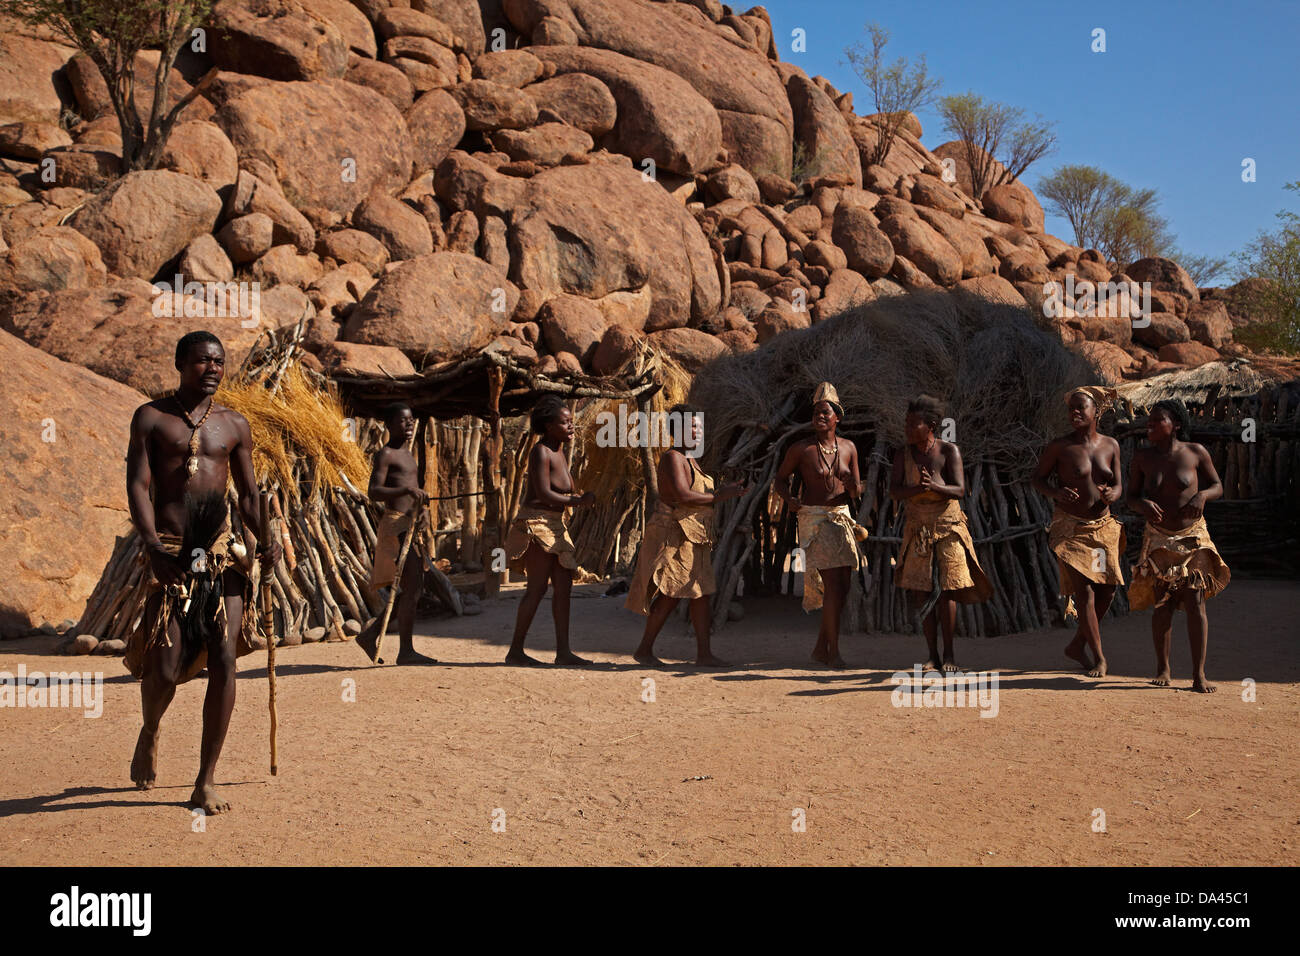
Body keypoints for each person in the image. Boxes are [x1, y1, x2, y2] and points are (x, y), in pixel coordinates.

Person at [124, 330, 281, 815]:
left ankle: (205, 780)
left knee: (226, 660)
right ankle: (150, 730)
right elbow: (137, 483)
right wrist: (151, 546)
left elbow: (250, 495)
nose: (211, 368)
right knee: (165, 669)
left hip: (218, 554)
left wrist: (268, 538)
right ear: (179, 363)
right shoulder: (152, 418)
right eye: (201, 361)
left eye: (218, 361)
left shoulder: (233, 425)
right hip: (171, 552)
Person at [626, 405, 745, 666]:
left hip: (694, 537)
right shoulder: (673, 457)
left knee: (700, 593)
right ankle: (644, 650)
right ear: (678, 430)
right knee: (671, 593)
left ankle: (704, 654)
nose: (698, 431)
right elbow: (681, 495)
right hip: (674, 535)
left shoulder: (690, 458)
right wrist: (718, 496)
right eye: (693, 426)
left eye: (699, 426)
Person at [1126, 400, 1229, 693]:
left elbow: (1217, 485)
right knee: (1163, 603)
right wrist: (1142, 504)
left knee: (1196, 602)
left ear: (1177, 425)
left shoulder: (1195, 453)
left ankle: (1198, 674)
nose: (1151, 425)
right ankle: (1163, 667)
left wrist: (1202, 497)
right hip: (1159, 537)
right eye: (1149, 421)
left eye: (1158, 421)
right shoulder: (1142, 458)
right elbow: (1131, 497)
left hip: (1193, 536)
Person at [890, 395, 992, 673]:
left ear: (932, 426)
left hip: (949, 526)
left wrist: (936, 487)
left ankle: (949, 655)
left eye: (914, 424)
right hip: (918, 527)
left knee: (947, 591)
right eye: (907, 424)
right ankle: (931, 656)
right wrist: (918, 490)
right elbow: (895, 491)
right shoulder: (903, 454)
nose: (908, 429)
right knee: (922, 592)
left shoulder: (949, 451)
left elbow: (960, 490)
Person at [1031, 385, 1125, 678]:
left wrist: (1113, 493)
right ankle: (1099, 657)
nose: (1074, 413)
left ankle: (1076, 645)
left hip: (1101, 530)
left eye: (1080, 407)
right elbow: (1037, 479)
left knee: (1106, 590)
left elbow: (1120, 483)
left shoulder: (1111, 445)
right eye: (1070, 408)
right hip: (1070, 529)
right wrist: (1056, 493)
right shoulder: (1060, 447)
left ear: (1096, 411)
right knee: (1084, 591)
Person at [774, 382, 866, 668]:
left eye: (825, 412)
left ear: (837, 417)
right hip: (815, 519)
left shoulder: (849, 448)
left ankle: (819, 648)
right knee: (832, 586)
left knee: (844, 586)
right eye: (815, 413)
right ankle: (834, 652)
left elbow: (857, 492)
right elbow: (780, 479)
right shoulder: (800, 449)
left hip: (841, 518)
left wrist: (852, 485)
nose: (820, 417)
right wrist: (788, 498)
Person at [503, 396, 594, 665]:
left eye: (571, 422)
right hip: (537, 524)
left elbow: (559, 491)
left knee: (564, 586)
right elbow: (543, 492)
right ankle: (516, 651)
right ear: (548, 425)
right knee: (538, 588)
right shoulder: (540, 451)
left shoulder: (560, 452)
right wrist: (579, 501)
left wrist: (578, 498)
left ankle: (563, 652)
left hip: (556, 525)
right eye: (565, 422)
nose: (571, 427)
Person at [355, 402, 437, 666]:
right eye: (403, 421)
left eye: (411, 420)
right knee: (411, 587)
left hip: (411, 525)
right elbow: (374, 491)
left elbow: (411, 491)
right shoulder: (386, 455)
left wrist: (420, 508)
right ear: (389, 425)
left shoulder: (409, 455)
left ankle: (373, 635)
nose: (409, 424)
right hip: (396, 525)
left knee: (414, 587)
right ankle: (404, 651)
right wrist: (405, 493)